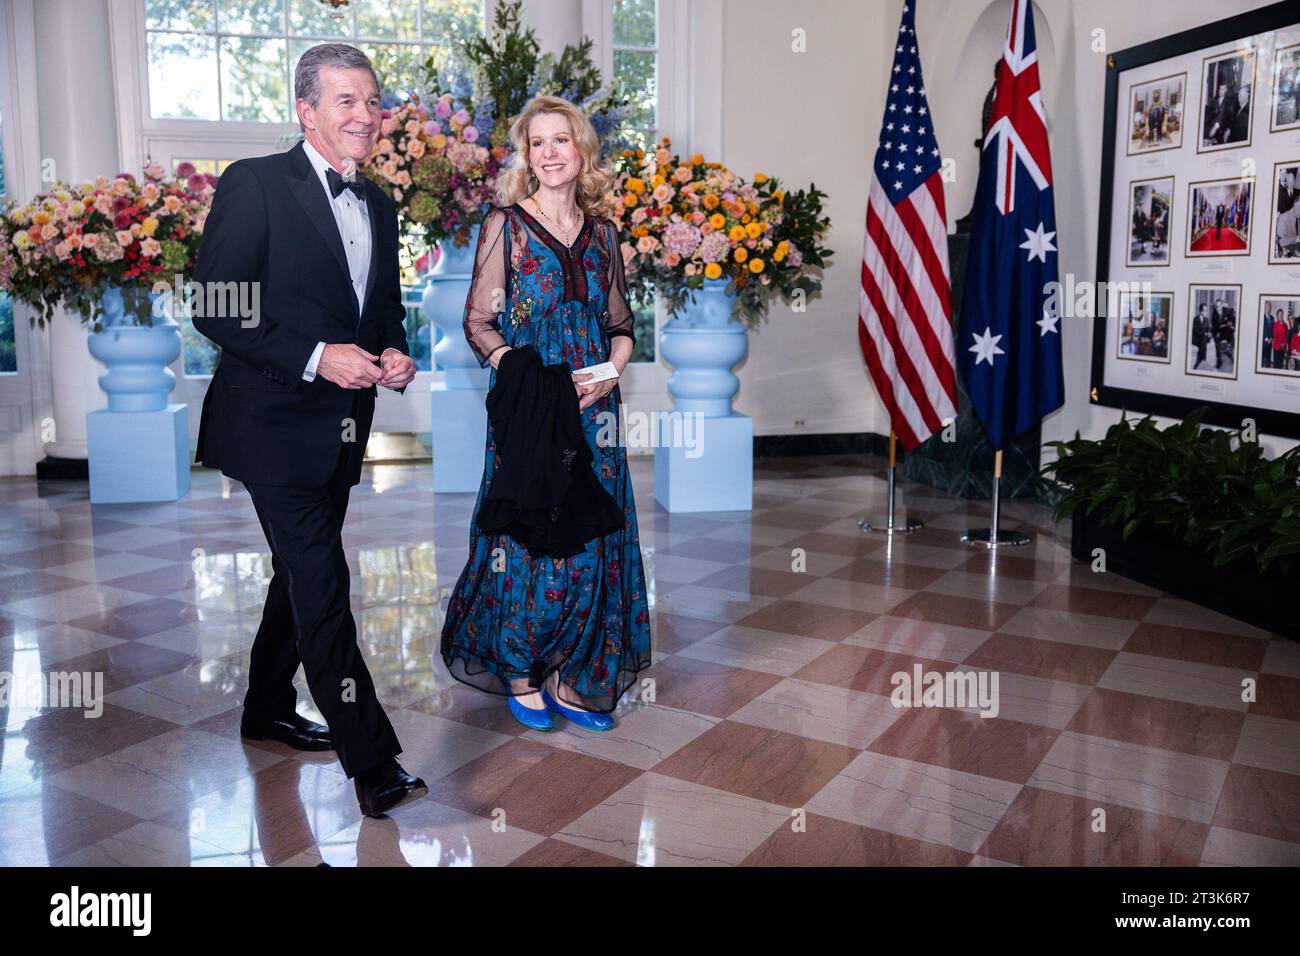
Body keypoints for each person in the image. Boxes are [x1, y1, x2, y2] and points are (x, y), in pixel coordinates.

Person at [192, 43, 426, 818]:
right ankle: (374, 761)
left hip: (342, 432)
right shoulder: (255, 184)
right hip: (267, 424)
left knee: (300, 575)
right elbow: (215, 306)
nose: (364, 115)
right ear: (307, 111)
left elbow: (381, 310)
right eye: (345, 101)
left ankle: (264, 708)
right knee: (324, 582)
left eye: (371, 100)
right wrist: (318, 357)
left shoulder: (381, 205)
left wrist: (393, 353)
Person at [439, 95, 652, 732]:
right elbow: (478, 323)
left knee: (592, 531)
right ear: (526, 156)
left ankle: (574, 672)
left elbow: (621, 326)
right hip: (532, 405)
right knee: (528, 535)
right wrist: (523, 376)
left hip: (595, 407)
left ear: (581, 150)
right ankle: (521, 672)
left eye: (562, 140)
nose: (551, 152)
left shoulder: (604, 233)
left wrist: (610, 372)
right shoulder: (504, 223)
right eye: (538, 143)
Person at [1191, 302, 1210, 369]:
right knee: (1203, 339)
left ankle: (1199, 361)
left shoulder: (1206, 319)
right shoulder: (1195, 319)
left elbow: (1208, 329)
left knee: (1204, 339)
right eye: (1204, 310)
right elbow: (1196, 331)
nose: (1206, 312)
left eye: (1206, 310)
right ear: (1200, 311)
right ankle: (1203, 360)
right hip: (1197, 338)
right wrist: (1204, 333)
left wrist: (1209, 334)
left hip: (1204, 339)